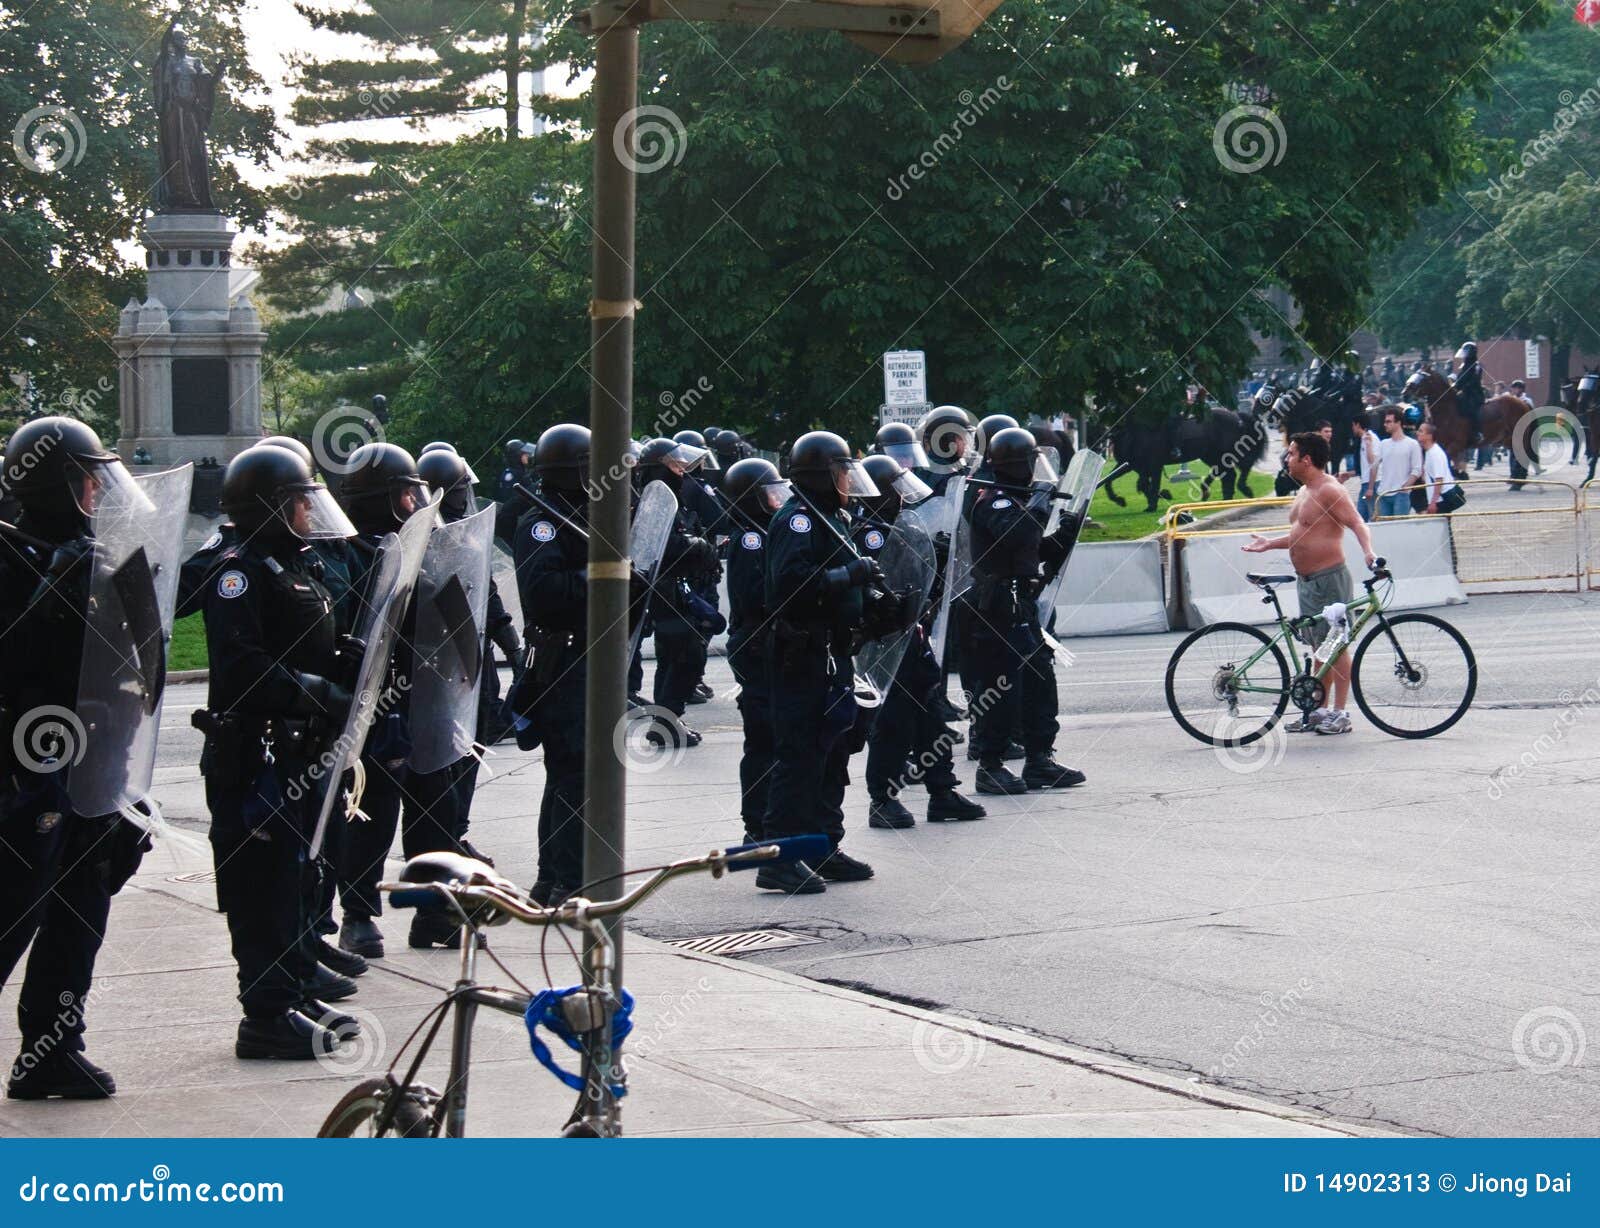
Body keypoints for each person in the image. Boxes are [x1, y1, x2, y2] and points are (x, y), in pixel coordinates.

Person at [0, 419, 159, 1096]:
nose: (100, 489)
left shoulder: (98, 553)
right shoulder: (8, 555)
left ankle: (52, 1047)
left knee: (80, 909)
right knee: (11, 912)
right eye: (88, 477)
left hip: (94, 766)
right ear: (57, 484)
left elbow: (142, 652)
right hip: (24, 769)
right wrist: (46, 600)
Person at [194, 444, 364, 1058]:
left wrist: (340, 659)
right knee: (260, 885)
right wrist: (321, 693)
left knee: (295, 877)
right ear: (268, 507)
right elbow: (244, 667)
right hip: (255, 754)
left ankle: (289, 987)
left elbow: (298, 639)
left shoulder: (291, 563)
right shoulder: (239, 571)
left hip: (297, 750)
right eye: (295, 502)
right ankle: (264, 1015)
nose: (305, 513)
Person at [762, 431, 891, 893]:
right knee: (799, 756)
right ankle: (779, 858)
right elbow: (790, 587)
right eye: (839, 471)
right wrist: (847, 575)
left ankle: (821, 847)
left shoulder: (831, 516)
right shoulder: (797, 519)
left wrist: (876, 603)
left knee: (832, 754)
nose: (846, 479)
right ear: (819, 474)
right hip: (802, 654)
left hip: (834, 651)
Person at [331, 443, 432, 959]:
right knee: (338, 811)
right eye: (404, 493)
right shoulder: (340, 553)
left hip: (391, 697)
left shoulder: (414, 546)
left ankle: (359, 911)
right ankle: (322, 916)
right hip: (342, 703)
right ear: (377, 498)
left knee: (379, 806)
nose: (414, 503)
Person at [855, 453, 985, 827]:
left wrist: (941, 558)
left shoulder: (901, 527)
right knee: (893, 721)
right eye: (894, 489)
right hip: (884, 642)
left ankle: (942, 791)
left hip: (914, 635)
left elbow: (925, 582)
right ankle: (883, 800)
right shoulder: (870, 533)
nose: (901, 496)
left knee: (932, 715)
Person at [964, 428, 1085, 794]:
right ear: (1018, 465)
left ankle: (1039, 759)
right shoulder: (993, 500)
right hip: (999, 606)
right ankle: (990, 765)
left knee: (1039, 683)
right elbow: (1013, 534)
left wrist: (1064, 533)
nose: (1035, 469)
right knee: (1001, 688)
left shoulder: (1016, 500)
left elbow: (1030, 550)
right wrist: (1039, 504)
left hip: (1023, 605)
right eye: (1031, 462)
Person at [1243, 432, 1376, 736]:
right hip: (1308, 583)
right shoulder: (1305, 491)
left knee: (1337, 646)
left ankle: (1341, 713)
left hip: (1330, 580)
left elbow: (1357, 522)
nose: (1286, 458)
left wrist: (1369, 552)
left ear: (1306, 459)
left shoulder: (1331, 490)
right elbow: (1302, 534)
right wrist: (1270, 544)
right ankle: (1318, 710)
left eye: (1290, 453)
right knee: (1320, 648)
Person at [510, 424, 592, 904]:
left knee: (579, 772)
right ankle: (562, 876)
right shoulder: (540, 522)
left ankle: (560, 873)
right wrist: (601, 575)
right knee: (571, 769)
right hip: (562, 661)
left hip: (591, 657)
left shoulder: (582, 514)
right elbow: (543, 593)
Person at [721, 458, 790, 843]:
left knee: (779, 735)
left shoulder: (768, 532)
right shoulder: (751, 537)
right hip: (756, 643)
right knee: (764, 738)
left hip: (768, 642)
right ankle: (757, 827)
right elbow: (754, 596)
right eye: (769, 493)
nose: (777, 499)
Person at [636, 437, 721, 746]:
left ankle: (667, 719)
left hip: (677, 590)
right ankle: (665, 721)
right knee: (682, 656)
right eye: (674, 464)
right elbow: (657, 546)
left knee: (680, 656)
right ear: (657, 467)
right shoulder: (652, 500)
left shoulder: (672, 499)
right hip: (663, 593)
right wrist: (694, 547)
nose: (682, 469)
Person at [1376, 407, 1422, 518]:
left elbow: (1417, 469)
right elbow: (1374, 465)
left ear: (1398, 423)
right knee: (1385, 528)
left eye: (1389, 422)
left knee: (1399, 527)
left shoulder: (1412, 444)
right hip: (1383, 493)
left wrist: (1406, 487)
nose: (1385, 424)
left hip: (1401, 494)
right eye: (1385, 422)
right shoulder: (1384, 444)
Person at [1342, 411, 1380, 522]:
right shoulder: (1363, 439)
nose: (1352, 428)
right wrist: (1349, 474)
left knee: (1372, 516)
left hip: (1371, 483)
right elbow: (1366, 467)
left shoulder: (1369, 439)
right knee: (1360, 517)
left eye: (1353, 425)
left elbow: (1373, 463)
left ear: (1358, 425)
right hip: (1366, 483)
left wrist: (1371, 488)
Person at [1417, 422, 1463, 514]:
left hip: (1441, 499)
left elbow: (1439, 479)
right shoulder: (1429, 452)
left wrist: (1433, 502)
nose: (1417, 433)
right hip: (1437, 499)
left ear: (1429, 436)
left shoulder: (1435, 453)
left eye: (1421, 431)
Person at [1452, 341, 1486, 446]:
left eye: (1466, 353)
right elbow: (1460, 379)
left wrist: (1462, 388)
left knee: (1471, 409)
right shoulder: (1464, 365)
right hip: (1463, 393)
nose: (1464, 356)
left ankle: (1477, 432)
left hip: (1474, 394)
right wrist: (1454, 386)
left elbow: (1474, 380)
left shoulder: (1477, 366)